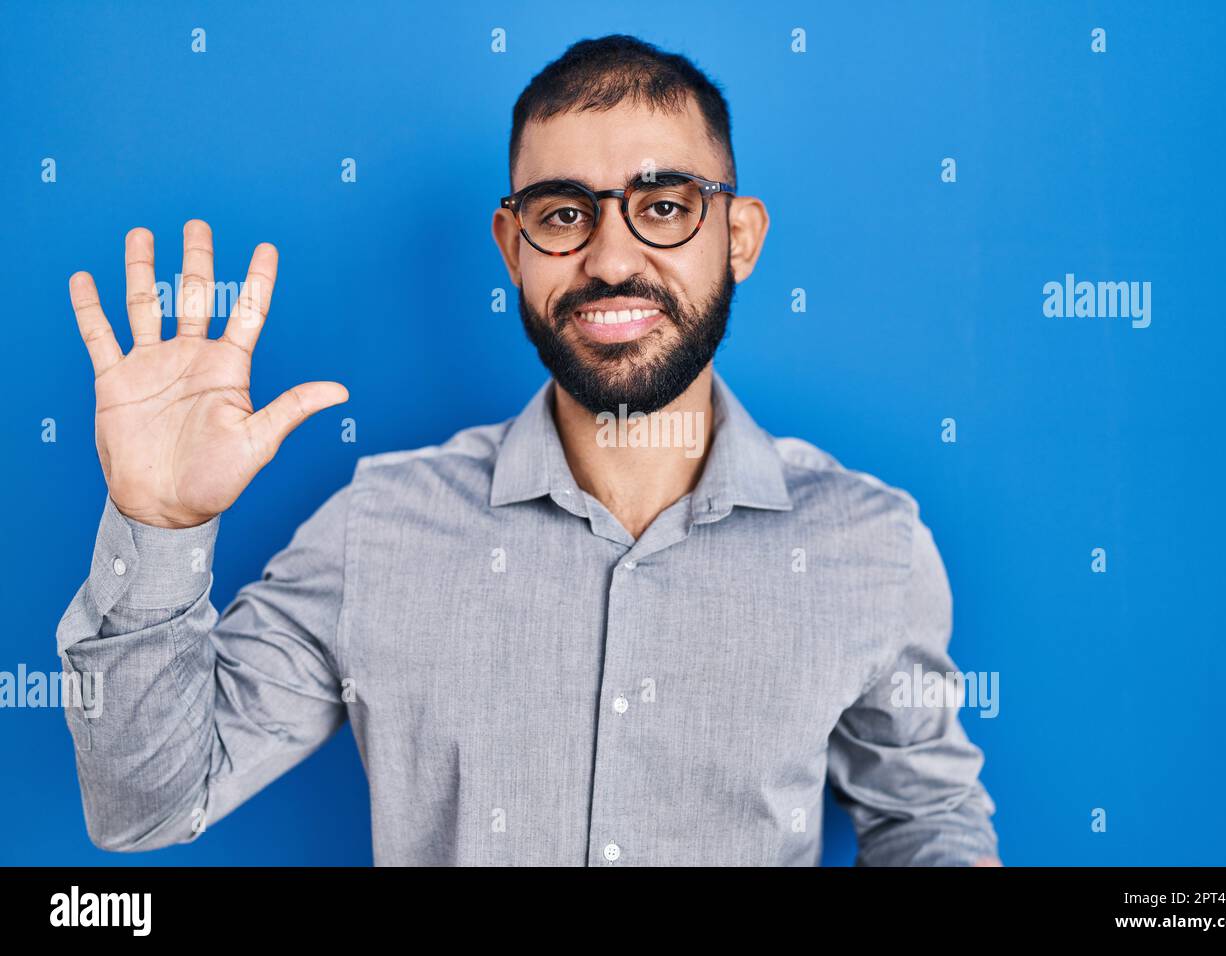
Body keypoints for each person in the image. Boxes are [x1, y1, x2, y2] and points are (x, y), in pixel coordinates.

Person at [57, 34, 1000, 866]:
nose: (613, 259)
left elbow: (929, 818)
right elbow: (147, 809)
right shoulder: (379, 528)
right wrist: (159, 526)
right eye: (563, 214)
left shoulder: (870, 543)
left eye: (664, 206)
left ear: (738, 236)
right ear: (514, 245)